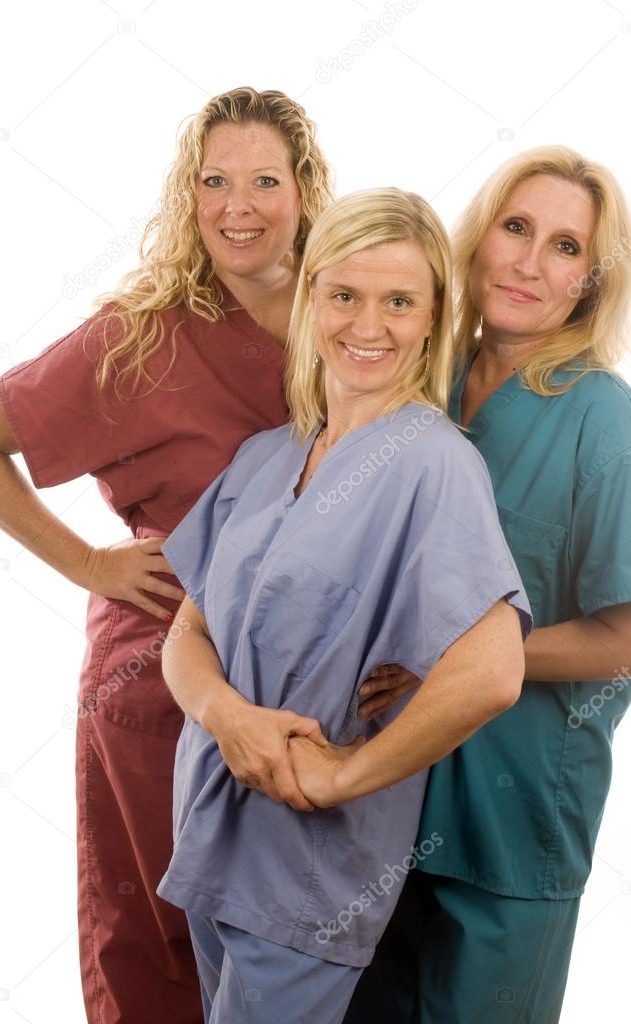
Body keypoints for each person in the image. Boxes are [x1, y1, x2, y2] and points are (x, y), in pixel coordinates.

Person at [0, 87, 343, 1024]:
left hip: (311, 659)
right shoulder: (144, 331)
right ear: (186, 193)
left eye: (262, 181)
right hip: (159, 662)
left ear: (304, 188)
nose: (236, 206)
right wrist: (88, 565)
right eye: (213, 181)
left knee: (298, 932)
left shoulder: (350, 313)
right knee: (154, 923)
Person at [157, 187, 533, 1024]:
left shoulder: (433, 465)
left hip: (306, 868)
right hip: (211, 829)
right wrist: (229, 717)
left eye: (399, 302)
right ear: (310, 298)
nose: (368, 326)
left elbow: (492, 671)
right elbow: (186, 631)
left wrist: (343, 778)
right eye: (344, 296)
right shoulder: (267, 455)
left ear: (434, 318)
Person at [345, 147, 631, 1024]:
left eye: (566, 246)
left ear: (590, 280)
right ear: (478, 238)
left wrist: (452, 665)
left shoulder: (604, 421)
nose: (531, 263)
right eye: (515, 227)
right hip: (381, 801)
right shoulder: (418, 386)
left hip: (509, 828)